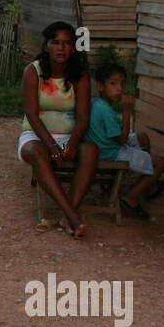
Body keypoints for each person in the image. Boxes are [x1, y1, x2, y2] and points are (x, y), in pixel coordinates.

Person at [18, 21, 97, 237]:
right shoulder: (33, 71)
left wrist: (72, 144)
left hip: (68, 137)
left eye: (66, 43)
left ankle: (67, 213)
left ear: (73, 48)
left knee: (90, 151)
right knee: (36, 152)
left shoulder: (80, 76)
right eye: (55, 42)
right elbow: (32, 114)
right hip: (36, 135)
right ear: (46, 46)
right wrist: (51, 145)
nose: (61, 48)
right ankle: (72, 215)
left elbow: (83, 118)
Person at [87, 63, 164, 220]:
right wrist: (127, 112)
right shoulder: (105, 111)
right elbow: (122, 139)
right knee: (161, 163)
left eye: (122, 83)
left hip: (103, 146)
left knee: (142, 137)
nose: (120, 89)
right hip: (111, 152)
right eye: (113, 84)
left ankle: (150, 185)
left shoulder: (97, 103)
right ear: (100, 86)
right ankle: (131, 198)